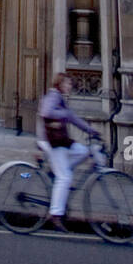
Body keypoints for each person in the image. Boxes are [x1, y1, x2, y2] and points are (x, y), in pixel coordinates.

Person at [37, 72, 103, 230]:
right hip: (52, 142)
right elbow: (46, 112)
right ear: (59, 84)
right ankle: (55, 214)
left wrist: (91, 131)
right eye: (67, 83)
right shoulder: (53, 96)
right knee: (65, 177)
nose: (70, 86)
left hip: (61, 141)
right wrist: (64, 114)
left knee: (84, 151)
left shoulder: (60, 98)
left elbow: (73, 118)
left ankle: (56, 171)